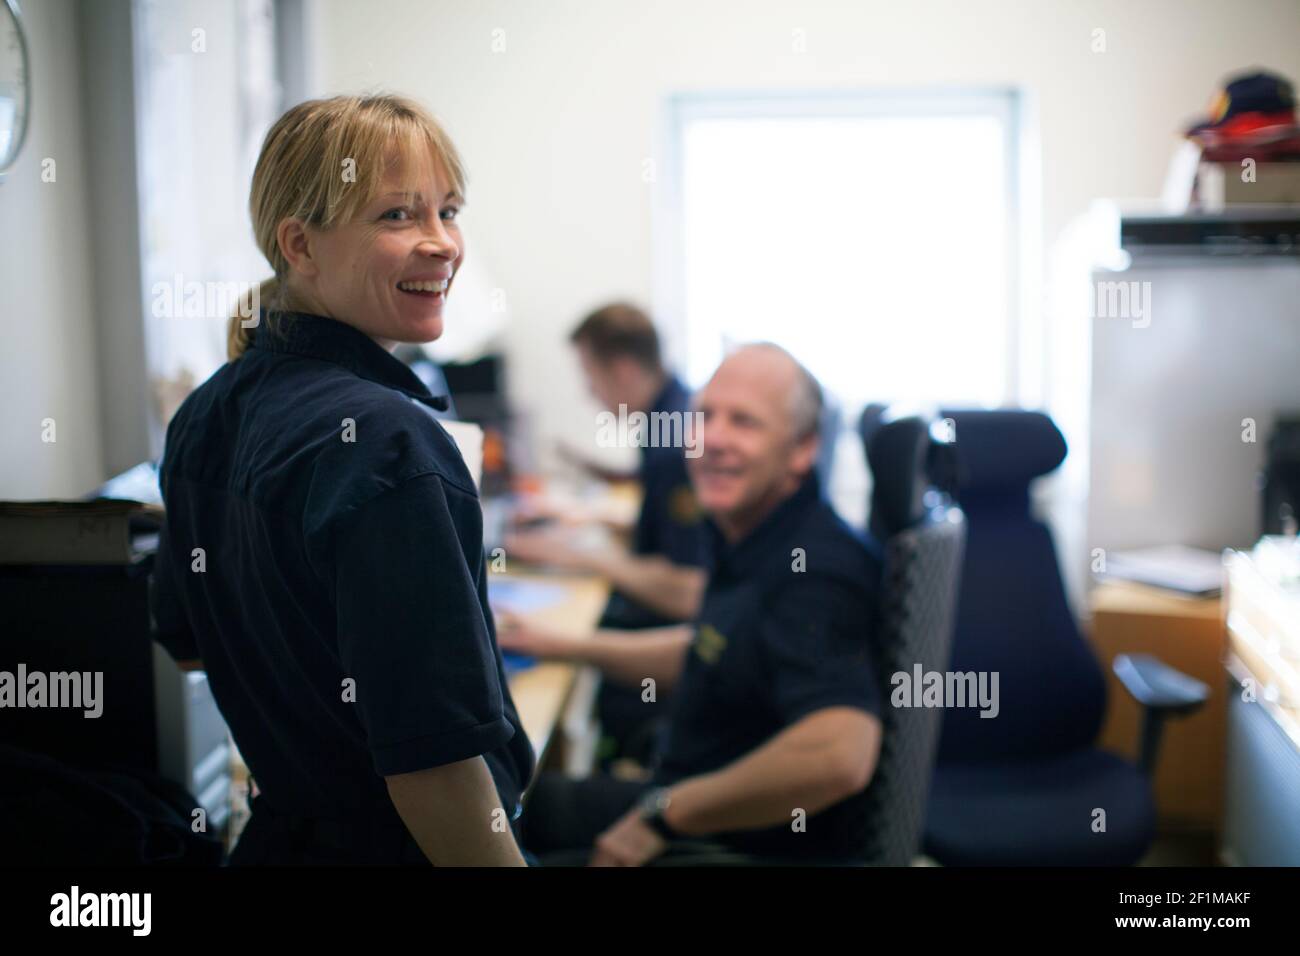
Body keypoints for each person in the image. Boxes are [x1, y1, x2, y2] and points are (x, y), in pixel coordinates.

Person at [150, 94, 532, 866]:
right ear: (301, 245)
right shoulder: (389, 444)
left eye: (447, 210)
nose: (442, 245)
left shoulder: (203, 415)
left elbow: (186, 638)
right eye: (397, 216)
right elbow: (436, 767)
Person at [502, 344, 884, 865]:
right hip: (695, 803)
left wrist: (662, 815)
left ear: (801, 450)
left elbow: (840, 753)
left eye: (744, 422)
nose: (713, 440)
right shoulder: (755, 534)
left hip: (742, 842)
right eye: (704, 416)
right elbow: (709, 647)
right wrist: (559, 643)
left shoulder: (814, 569)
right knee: (517, 802)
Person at [506, 303, 708, 626]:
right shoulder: (672, 415)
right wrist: (588, 517)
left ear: (623, 370)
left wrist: (577, 557)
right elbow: (666, 530)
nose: (589, 392)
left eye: (590, 375)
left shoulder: (674, 446)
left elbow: (688, 590)